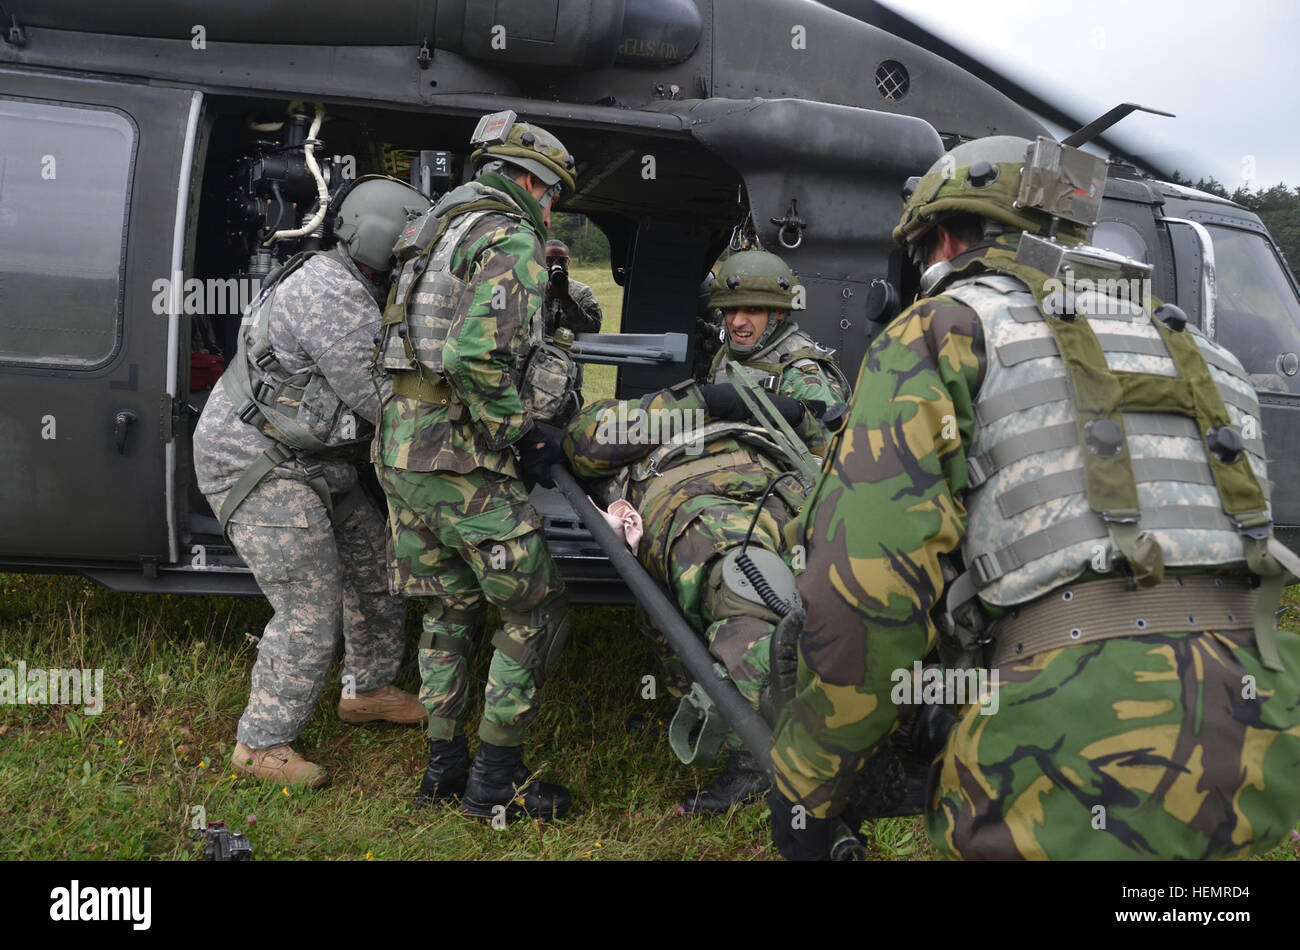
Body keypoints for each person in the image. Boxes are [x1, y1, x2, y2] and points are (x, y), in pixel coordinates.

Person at [767, 134, 1300, 860]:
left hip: (1062, 751)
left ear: (944, 238)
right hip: (1254, 746)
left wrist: (808, 785)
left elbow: (864, 600)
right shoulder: (1209, 357)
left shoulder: (942, 329)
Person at [565, 250, 846, 815]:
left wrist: (771, 410)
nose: (740, 321)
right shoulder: (733, 353)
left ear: (779, 314)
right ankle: (696, 701)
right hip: (697, 472)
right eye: (732, 309)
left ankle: (755, 758)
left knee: (737, 592)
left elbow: (824, 425)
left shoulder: (802, 366)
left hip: (763, 490)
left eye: (754, 311)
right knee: (663, 598)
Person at [372, 111, 579, 819]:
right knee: (534, 606)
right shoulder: (511, 236)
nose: (548, 207)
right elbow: (471, 354)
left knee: (449, 603)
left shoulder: (433, 229)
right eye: (549, 194)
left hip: (402, 446)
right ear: (529, 181)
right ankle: (496, 781)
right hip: (459, 456)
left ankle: (441, 770)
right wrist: (521, 435)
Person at [194, 176, 432, 789]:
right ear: (384, 241)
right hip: (258, 459)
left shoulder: (354, 280)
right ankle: (261, 745)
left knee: (378, 569)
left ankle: (368, 689)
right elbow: (384, 402)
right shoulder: (332, 295)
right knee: (310, 606)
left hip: (314, 456)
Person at [541, 239, 603, 336]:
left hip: (569, 349)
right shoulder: (529, 290)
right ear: (540, 261)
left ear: (568, 262)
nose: (556, 265)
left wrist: (566, 299)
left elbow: (593, 329)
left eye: (562, 261)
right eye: (549, 260)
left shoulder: (582, 292)